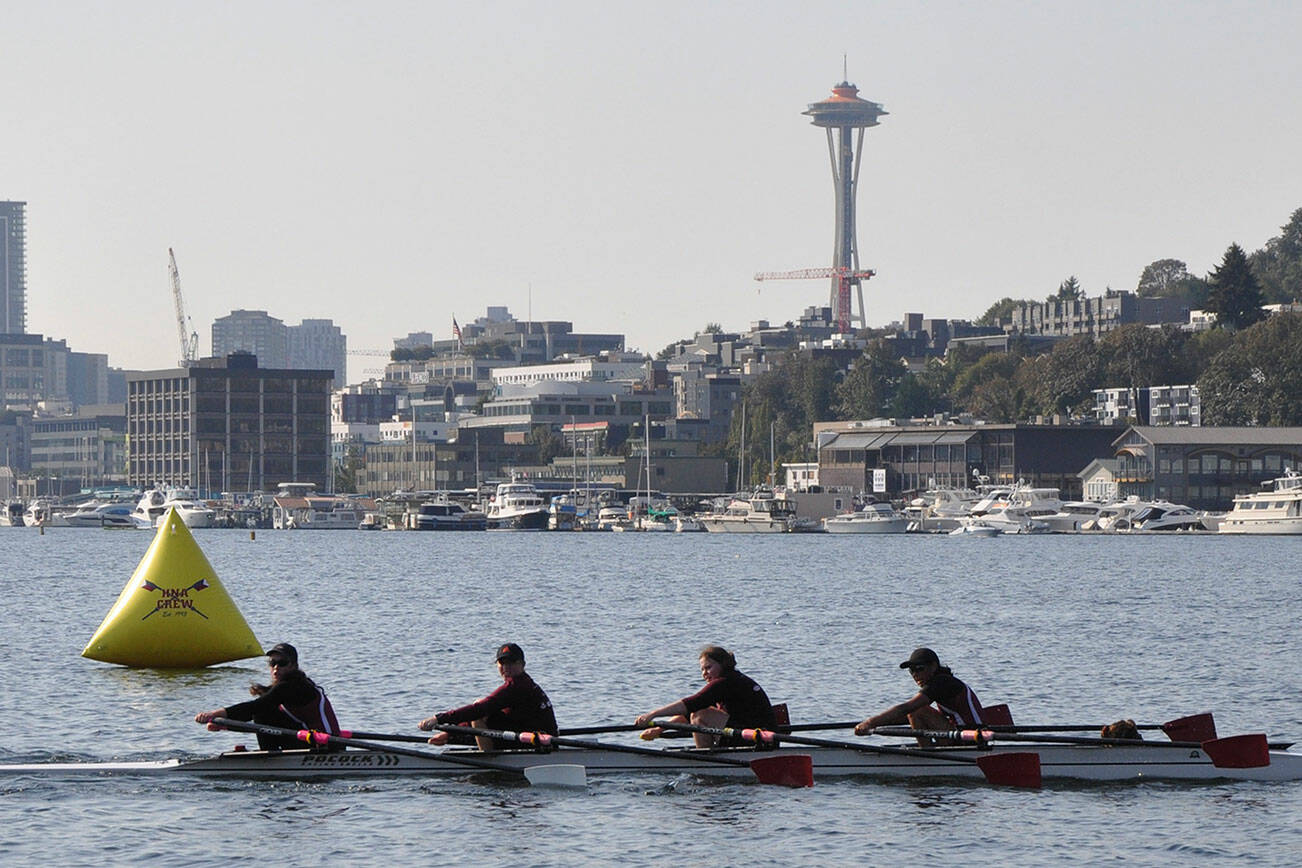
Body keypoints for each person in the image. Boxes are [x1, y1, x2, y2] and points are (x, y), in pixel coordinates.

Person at [194, 643, 341, 751]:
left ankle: (269, 757)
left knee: (262, 711)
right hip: (311, 740)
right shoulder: (284, 687)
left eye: (282, 663)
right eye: (273, 663)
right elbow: (265, 722)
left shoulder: (295, 687)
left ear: (293, 666)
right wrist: (224, 725)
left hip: (325, 745)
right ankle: (270, 754)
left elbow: (255, 708)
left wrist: (213, 715)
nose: (276, 667)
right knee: (264, 712)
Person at [418, 643, 557, 751]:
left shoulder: (517, 686)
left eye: (511, 663)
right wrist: (450, 734)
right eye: (502, 663)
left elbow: (479, 709)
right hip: (532, 735)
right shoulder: (523, 682)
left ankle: (487, 760)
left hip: (539, 742)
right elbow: (488, 710)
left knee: (478, 713)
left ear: (522, 664)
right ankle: (487, 752)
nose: (506, 667)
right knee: (482, 712)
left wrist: (438, 719)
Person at [634, 645, 776, 748]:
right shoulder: (730, 680)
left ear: (723, 665)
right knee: (698, 713)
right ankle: (708, 753)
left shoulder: (725, 682)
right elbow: (688, 712)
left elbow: (692, 704)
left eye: (709, 667)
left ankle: (704, 756)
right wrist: (659, 730)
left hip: (757, 738)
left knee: (699, 715)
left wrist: (653, 714)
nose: (704, 673)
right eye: (702, 669)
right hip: (750, 734)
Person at [854, 647, 985, 744]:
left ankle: (927, 756)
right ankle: (928, 753)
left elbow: (907, 708)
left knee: (917, 710)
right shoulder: (944, 682)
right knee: (914, 713)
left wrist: (870, 722)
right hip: (962, 735)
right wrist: (877, 724)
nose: (915, 674)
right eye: (912, 671)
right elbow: (908, 716)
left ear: (933, 666)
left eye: (919, 668)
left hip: (970, 739)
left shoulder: (941, 683)